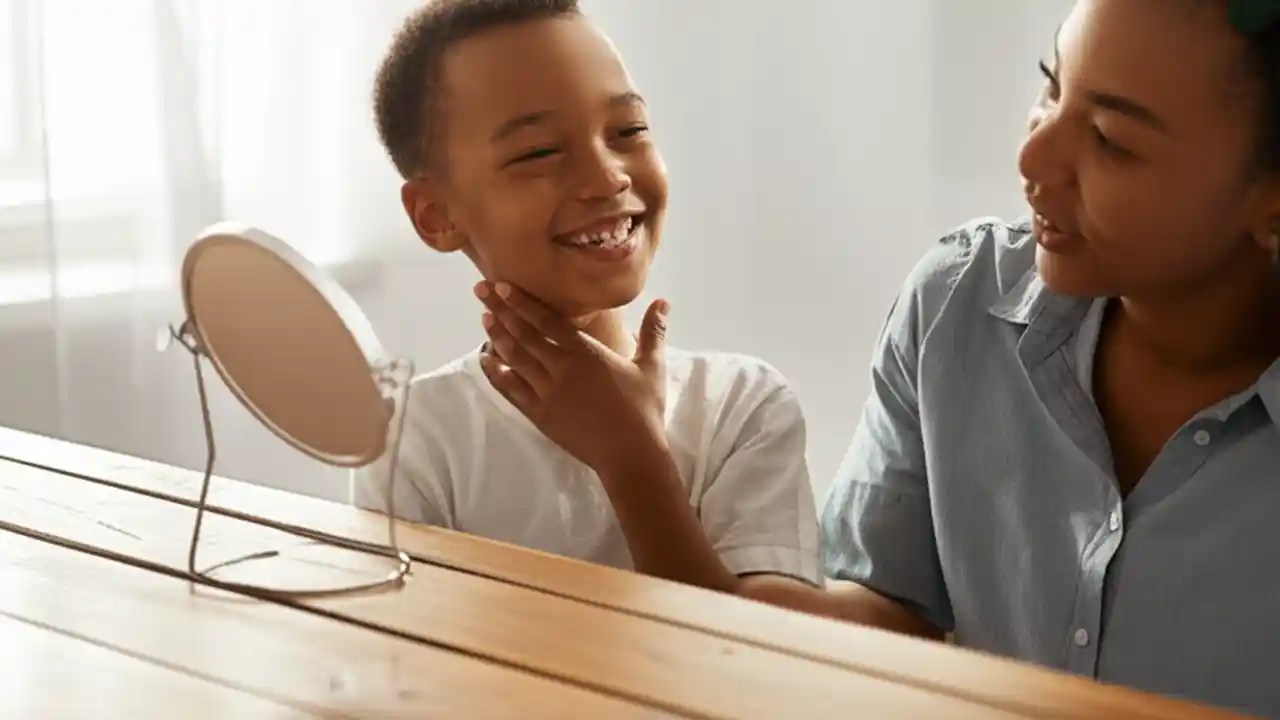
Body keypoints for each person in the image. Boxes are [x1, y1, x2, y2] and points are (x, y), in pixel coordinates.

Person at [477, 0, 1280, 715]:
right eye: (1050, 88)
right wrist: (634, 460)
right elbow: (860, 639)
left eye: (1109, 140)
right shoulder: (959, 311)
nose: (1032, 161)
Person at [353, 0, 821, 587]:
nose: (608, 177)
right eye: (539, 152)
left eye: (629, 132)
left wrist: (632, 459)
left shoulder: (741, 407)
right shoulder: (413, 437)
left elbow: (761, 662)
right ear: (437, 215)